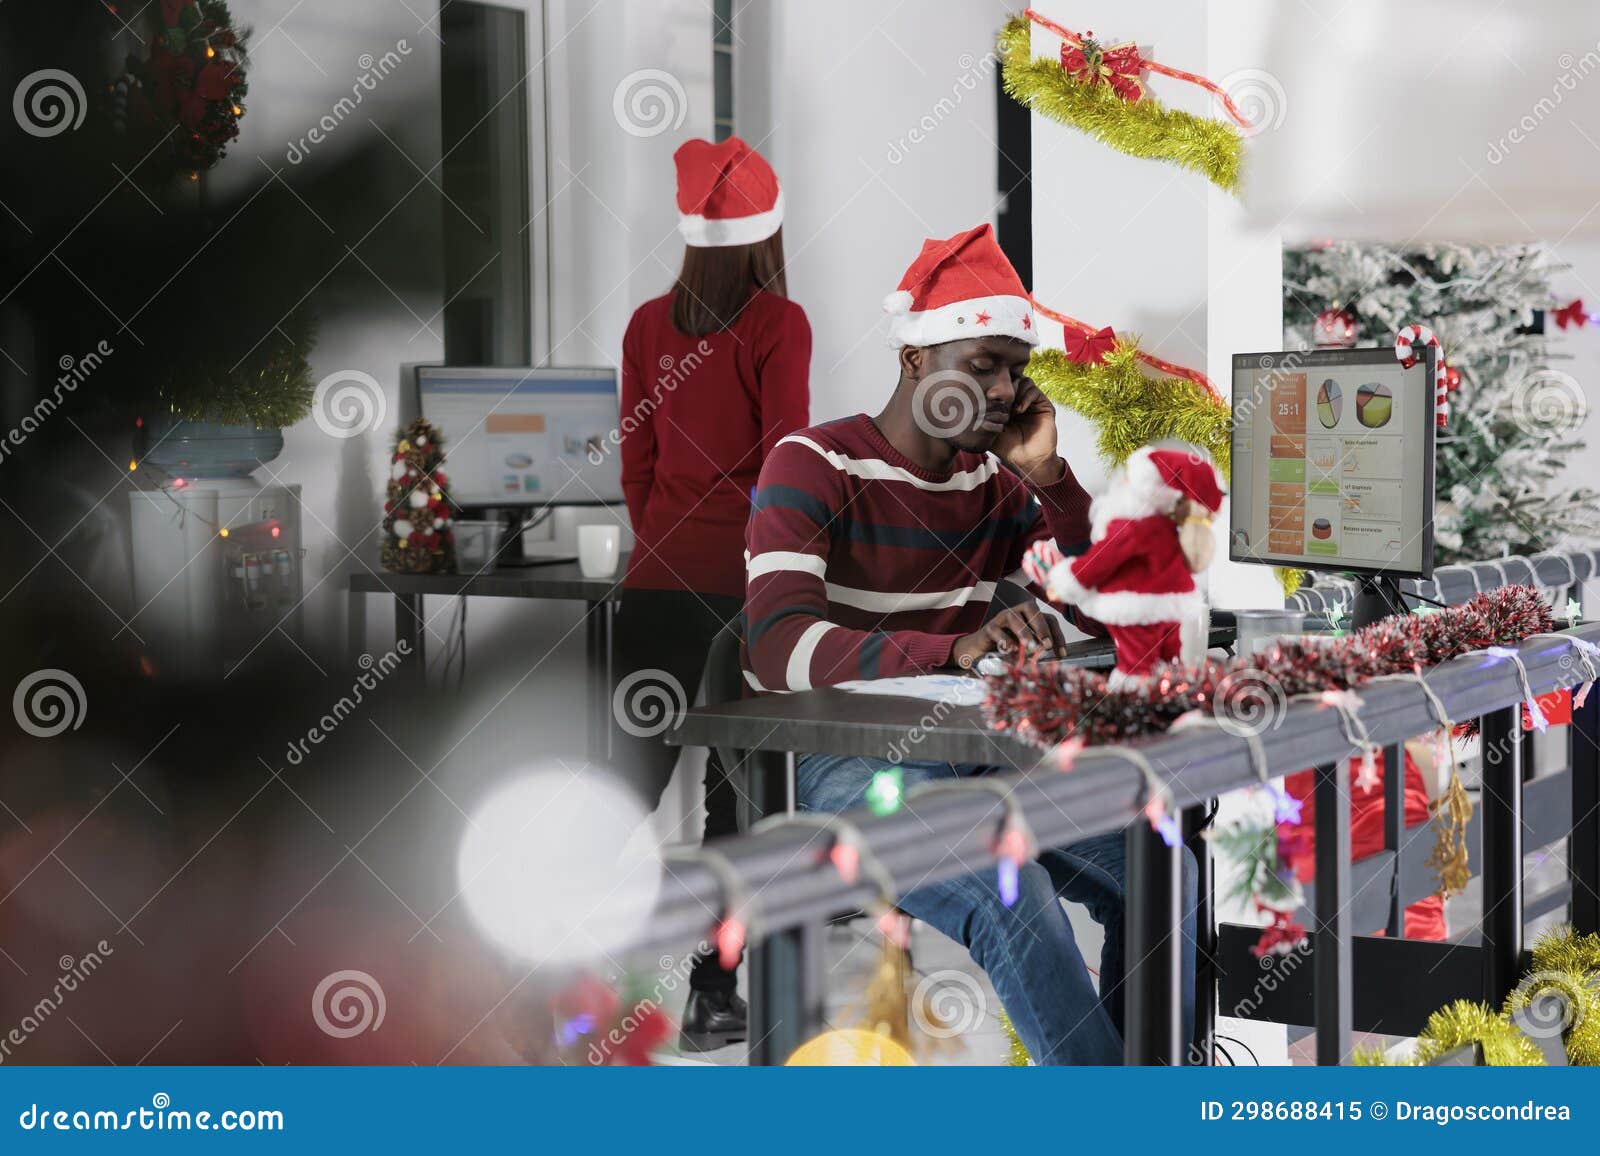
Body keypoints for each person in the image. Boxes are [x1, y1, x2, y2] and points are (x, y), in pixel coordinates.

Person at [741, 223, 1197, 1064]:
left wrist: (1050, 478)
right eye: (981, 364)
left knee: (1157, 861)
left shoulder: (994, 483)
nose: (1003, 389)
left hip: (974, 753)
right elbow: (777, 647)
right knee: (1007, 889)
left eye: (1015, 371)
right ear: (916, 360)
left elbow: (1114, 609)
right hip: (840, 760)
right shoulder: (813, 462)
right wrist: (947, 649)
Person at [612, 136, 810, 1051]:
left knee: (621, 782)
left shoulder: (649, 326)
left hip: (652, 580)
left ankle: (567, 981)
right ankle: (713, 994)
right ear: (768, 236)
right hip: (741, 588)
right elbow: (788, 461)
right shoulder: (780, 323)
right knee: (736, 796)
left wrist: (662, 539)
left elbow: (637, 463)